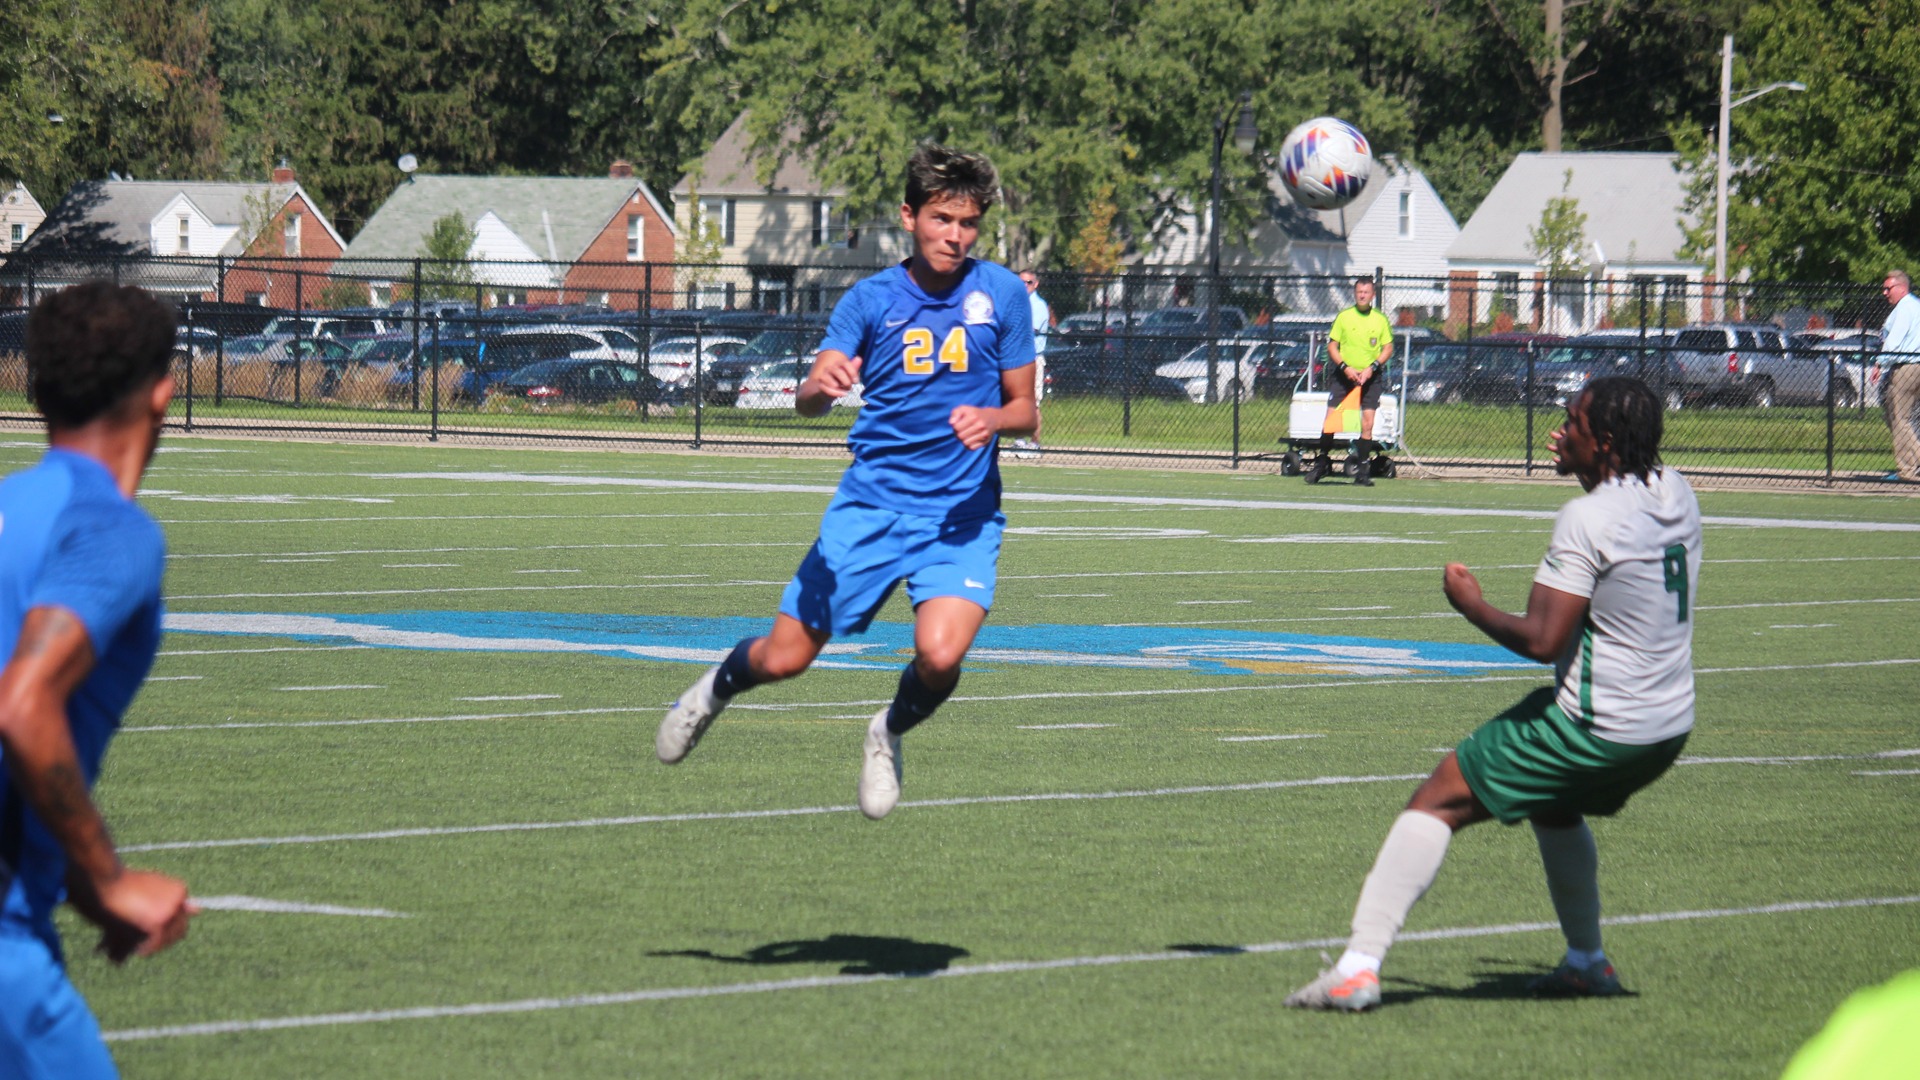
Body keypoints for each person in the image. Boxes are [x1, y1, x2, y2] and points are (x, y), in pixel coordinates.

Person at [1285, 376, 1700, 1012]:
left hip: (1598, 725)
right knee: (1554, 805)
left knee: (1435, 800)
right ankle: (1587, 963)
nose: (1559, 432)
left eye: (1573, 423)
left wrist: (1470, 605)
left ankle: (1357, 968)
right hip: (1667, 726)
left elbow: (1542, 639)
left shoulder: (1587, 518)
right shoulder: (1677, 490)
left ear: (1605, 442)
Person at [657, 144, 1039, 820]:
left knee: (940, 655)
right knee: (784, 660)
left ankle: (887, 733)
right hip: (872, 508)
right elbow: (809, 397)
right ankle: (713, 690)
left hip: (961, 517)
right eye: (942, 219)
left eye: (969, 223)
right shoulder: (869, 299)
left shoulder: (1003, 293)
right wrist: (819, 386)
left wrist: (993, 419)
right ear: (909, 216)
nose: (955, 235)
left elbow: (1026, 412)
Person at [0, 282, 196, 1076]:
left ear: (38, 393)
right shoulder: (111, 531)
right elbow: (22, 706)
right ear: (162, 394)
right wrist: (110, 880)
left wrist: (80, 887)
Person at [1311, 277, 1394, 487]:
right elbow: (1332, 346)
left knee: (1367, 423)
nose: (1362, 295)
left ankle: (1362, 471)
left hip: (1370, 379)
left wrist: (1371, 368)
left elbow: (1388, 348)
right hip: (1343, 378)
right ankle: (1321, 463)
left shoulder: (1380, 319)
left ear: (1372, 295)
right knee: (1331, 421)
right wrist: (1345, 368)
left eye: (1366, 292)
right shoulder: (1344, 317)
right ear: (1355, 294)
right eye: (1359, 292)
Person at [1877, 271, 1920, 482]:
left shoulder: (1904, 308)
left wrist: (1880, 362)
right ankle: (1909, 466)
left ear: (1902, 288)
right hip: (1915, 366)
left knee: (1899, 418)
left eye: (1888, 288)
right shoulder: (1917, 306)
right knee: (1900, 417)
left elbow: (1894, 341)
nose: (1885, 293)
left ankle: (1910, 467)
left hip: (1906, 368)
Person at [1012, 269, 1051, 458]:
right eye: (1021, 282)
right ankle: (1019, 441)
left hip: (1033, 359)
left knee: (1033, 403)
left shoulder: (1038, 305)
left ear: (1035, 284)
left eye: (1028, 282)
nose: (1024, 286)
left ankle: (1034, 444)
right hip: (1017, 359)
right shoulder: (1017, 303)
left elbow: (1027, 330)